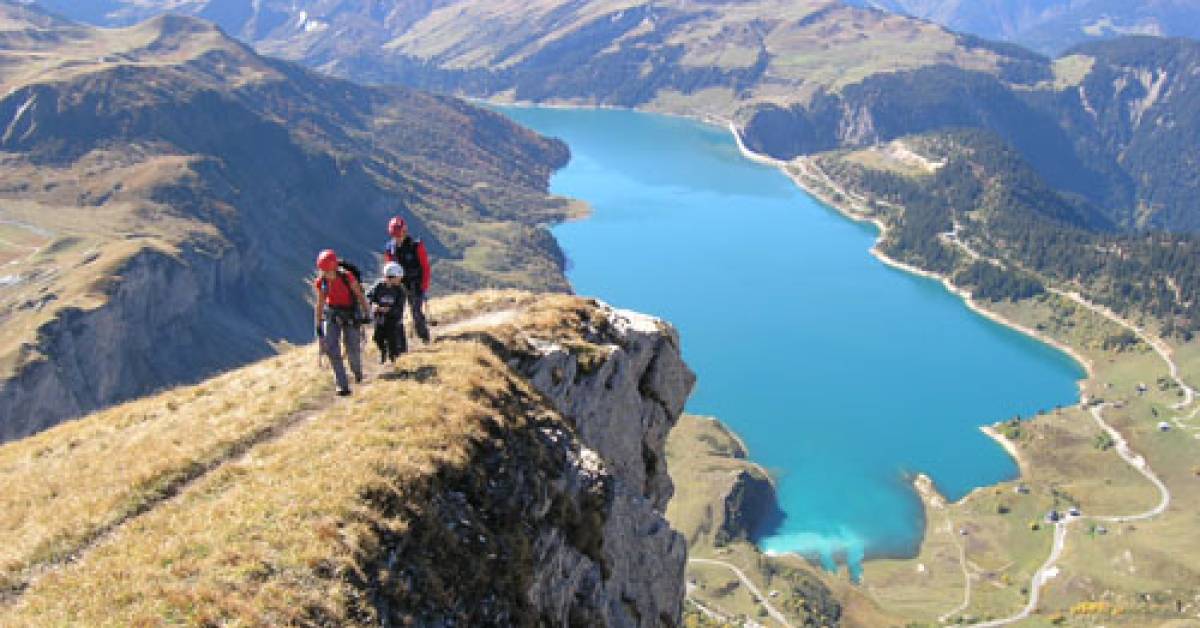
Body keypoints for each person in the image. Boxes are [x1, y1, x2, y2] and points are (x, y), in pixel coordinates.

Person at [313, 249, 371, 396]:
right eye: (323, 271)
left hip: (351, 313)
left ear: (334, 268)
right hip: (333, 313)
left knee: (352, 348)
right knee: (331, 347)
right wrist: (318, 327)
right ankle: (342, 385)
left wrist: (367, 313)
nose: (325, 274)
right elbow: (320, 304)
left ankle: (357, 373)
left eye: (327, 271)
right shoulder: (322, 282)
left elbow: (360, 296)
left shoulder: (348, 277)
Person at [383, 216, 432, 343]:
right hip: (398, 285)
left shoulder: (416, 246)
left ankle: (424, 337)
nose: (397, 238)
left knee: (416, 312)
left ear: (405, 232)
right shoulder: (390, 249)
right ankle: (399, 343)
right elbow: (388, 267)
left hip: (415, 285)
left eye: (399, 234)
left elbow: (425, 267)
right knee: (396, 314)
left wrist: (423, 286)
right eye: (395, 235)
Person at [367, 262, 408, 363]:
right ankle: (383, 351)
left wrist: (389, 310)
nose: (400, 280)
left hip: (393, 319)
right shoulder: (378, 286)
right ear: (391, 277)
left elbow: (400, 307)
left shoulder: (400, 290)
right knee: (377, 338)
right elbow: (369, 297)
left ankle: (394, 360)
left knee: (392, 339)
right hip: (380, 317)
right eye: (398, 278)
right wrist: (374, 305)